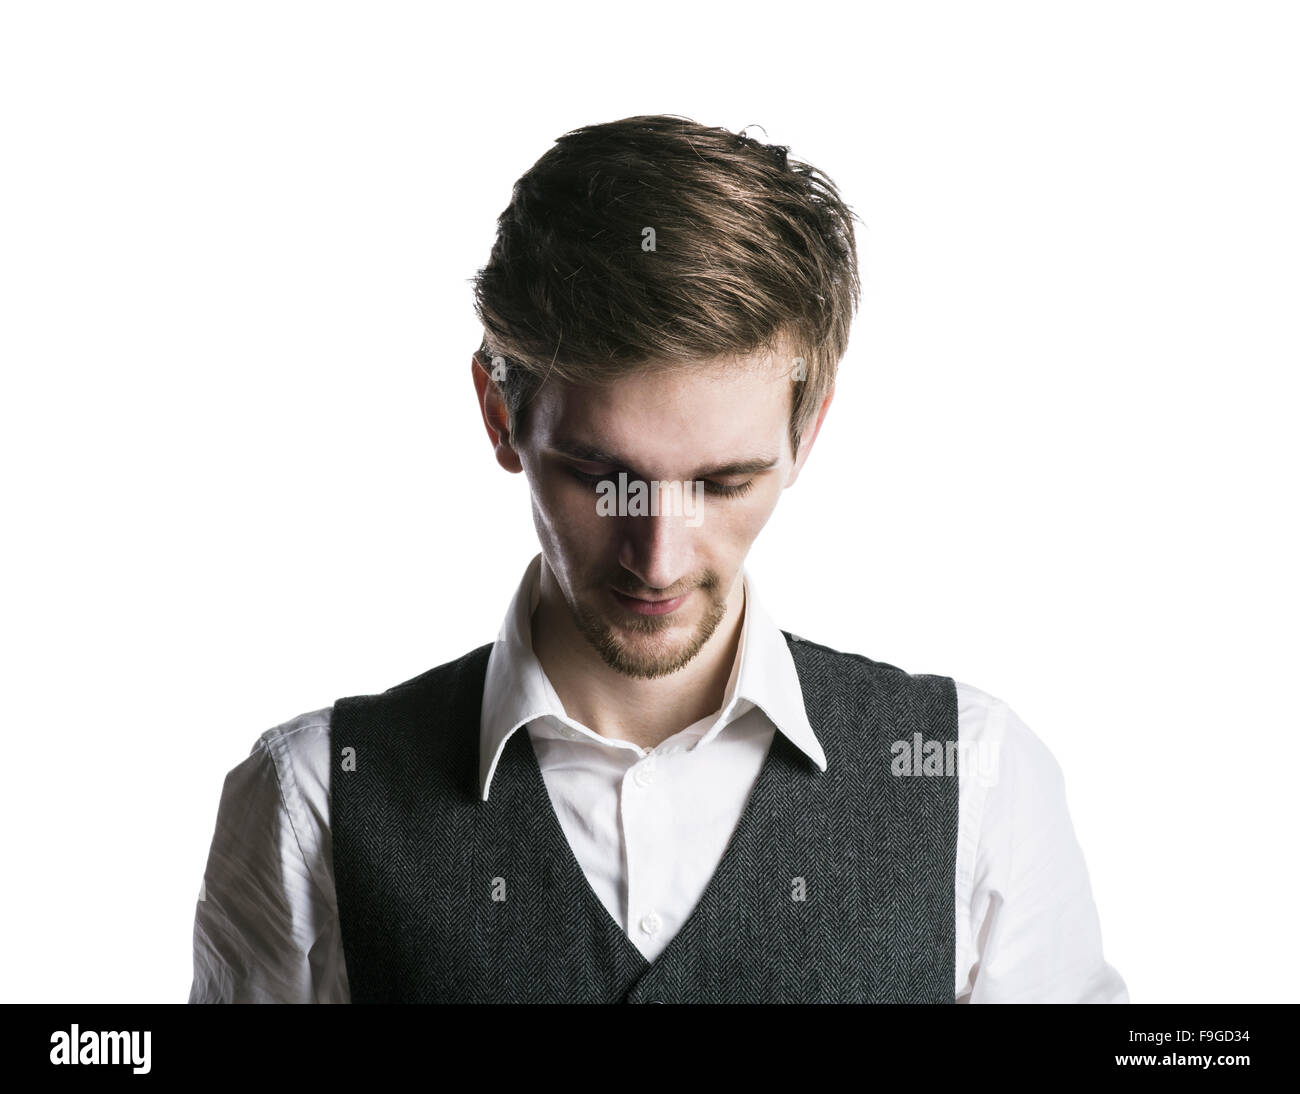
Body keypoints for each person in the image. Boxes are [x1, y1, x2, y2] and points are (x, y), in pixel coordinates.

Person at [189, 114, 1127, 1003]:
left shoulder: (977, 780)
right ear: (499, 414)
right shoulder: (311, 800)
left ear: (806, 434)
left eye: (722, 484)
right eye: (603, 478)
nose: (658, 559)